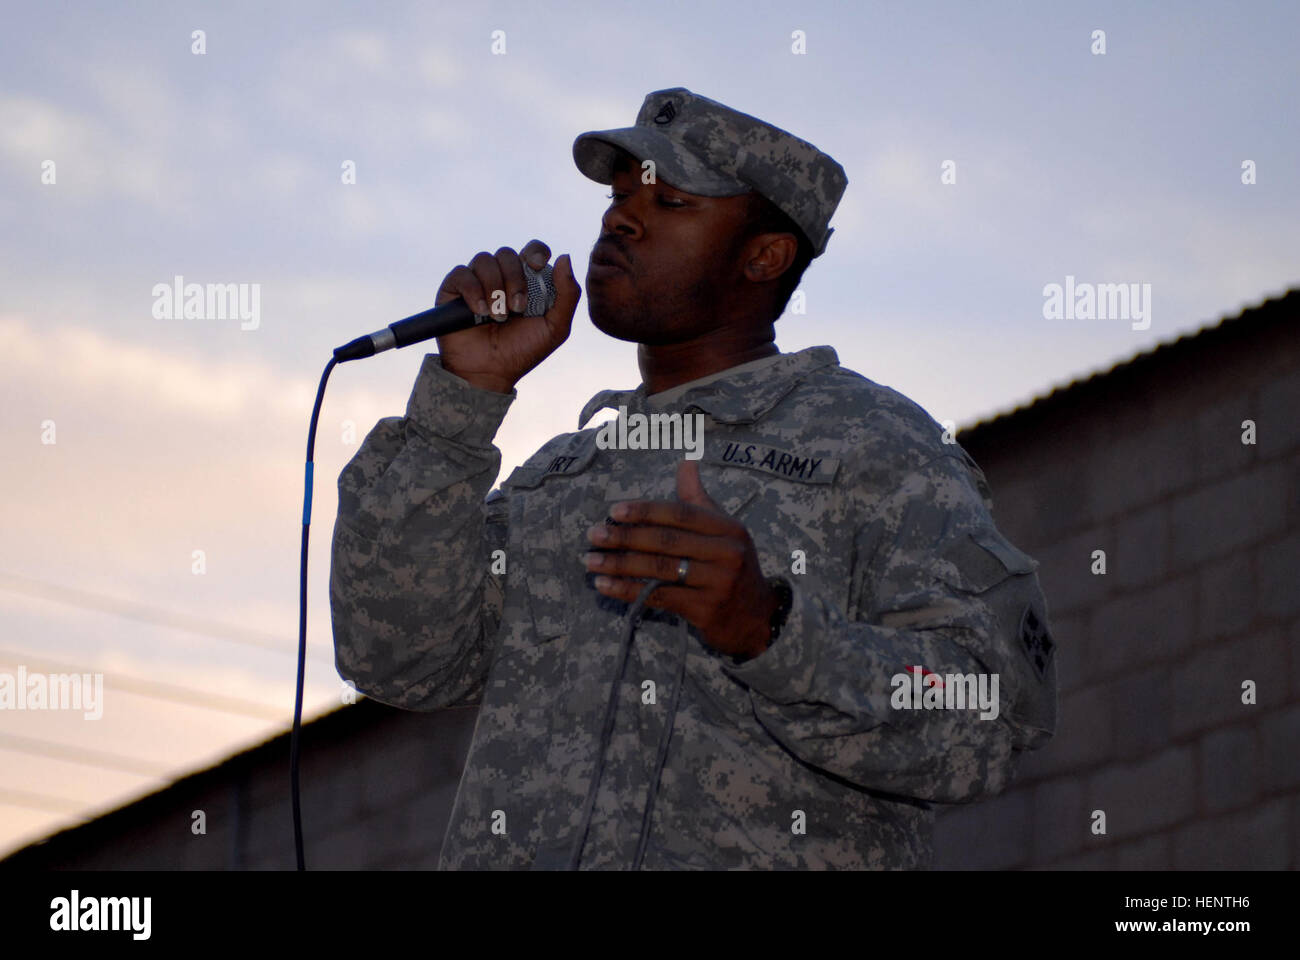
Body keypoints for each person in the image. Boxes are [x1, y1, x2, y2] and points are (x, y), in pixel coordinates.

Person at [330, 87, 1057, 870]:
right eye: (619, 196)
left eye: (670, 200)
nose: (621, 219)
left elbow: (989, 719)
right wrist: (459, 405)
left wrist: (772, 632)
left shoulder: (875, 447)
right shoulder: (563, 478)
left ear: (764, 256)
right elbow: (397, 659)